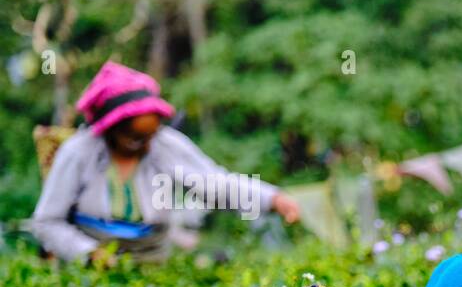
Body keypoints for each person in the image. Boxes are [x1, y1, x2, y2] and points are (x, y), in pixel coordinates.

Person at [25, 60, 299, 265]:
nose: (146, 145)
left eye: (150, 135)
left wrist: (272, 198)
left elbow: (216, 184)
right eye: (134, 138)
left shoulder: (164, 145)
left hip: (152, 264)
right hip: (88, 274)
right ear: (110, 128)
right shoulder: (78, 153)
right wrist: (88, 254)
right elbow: (48, 222)